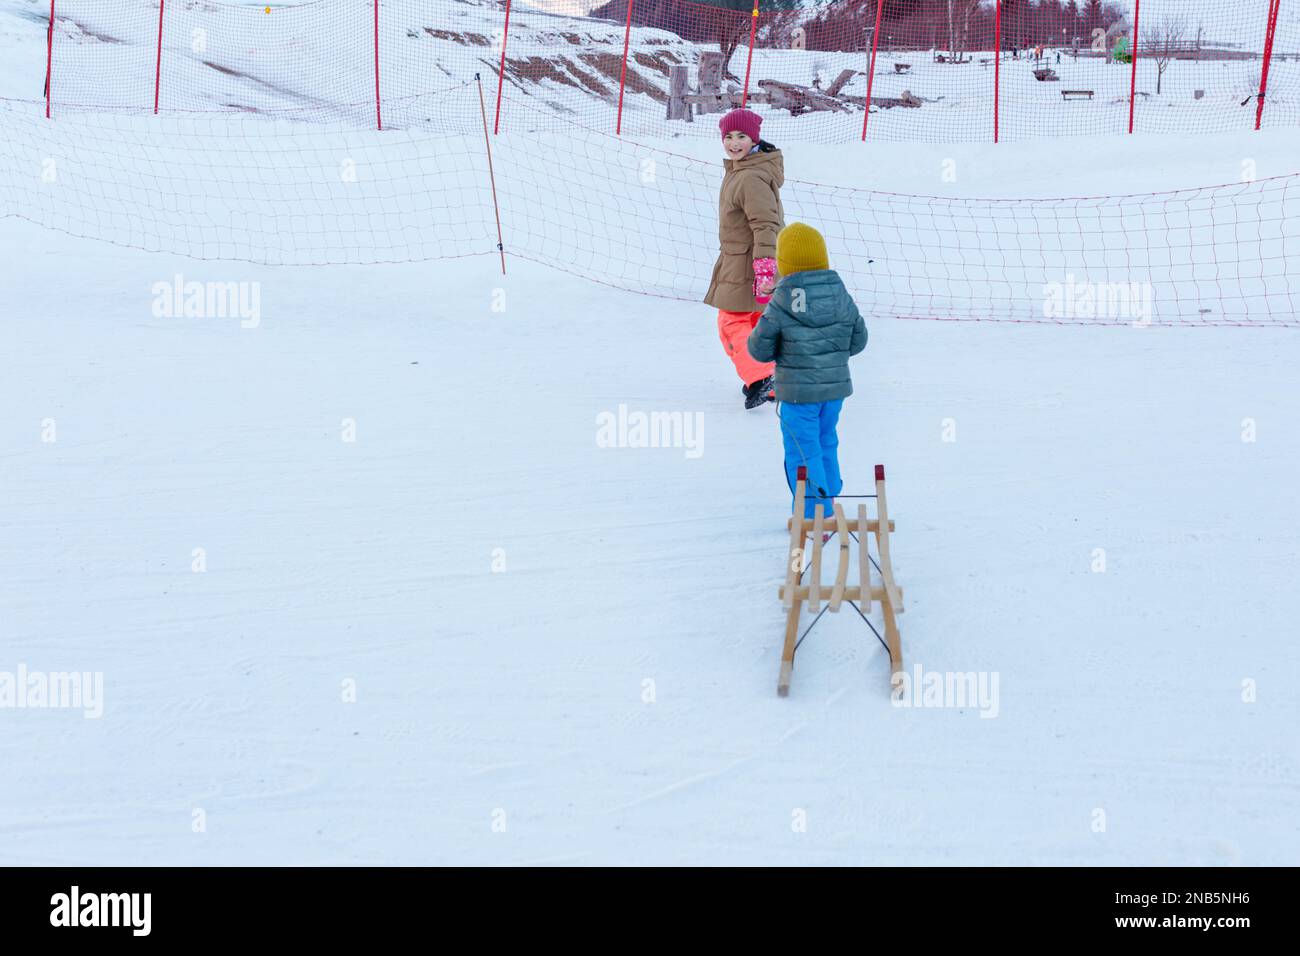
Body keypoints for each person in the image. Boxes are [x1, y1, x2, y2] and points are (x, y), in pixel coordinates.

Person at [747, 223, 867, 521]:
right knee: (826, 438)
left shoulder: (781, 300)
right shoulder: (839, 294)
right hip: (834, 391)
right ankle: (829, 491)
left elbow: (759, 350)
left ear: (784, 264)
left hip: (799, 395)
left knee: (802, 449)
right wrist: (832, 356)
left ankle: (814, 513)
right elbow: (859, 340)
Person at [704, 108, 785, 409]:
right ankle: (776, 378)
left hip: (749, 263)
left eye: (742, 136)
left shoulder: (749, 176)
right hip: (743, 260)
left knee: (731, 321)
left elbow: (766, 224)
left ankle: (762, 375)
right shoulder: (741, 170)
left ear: (754, 139)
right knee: (756, 320)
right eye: (728, 136)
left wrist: (765, 268)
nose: (734, 142)